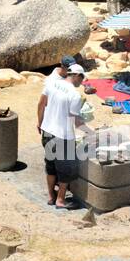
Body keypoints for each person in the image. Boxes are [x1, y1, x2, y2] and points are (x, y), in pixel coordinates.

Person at [37, 63, 86, 207]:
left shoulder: (52, 84)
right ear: (77, 76)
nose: (82, 82)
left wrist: (40, 123)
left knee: (51, 166)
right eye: (82, 79)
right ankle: (60, 200)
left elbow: (41, 104)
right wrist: (91, 132)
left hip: (47, 132)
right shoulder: (74, 95)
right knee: (67, 170)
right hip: (63, 137)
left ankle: (51, 197)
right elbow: (76, 121)